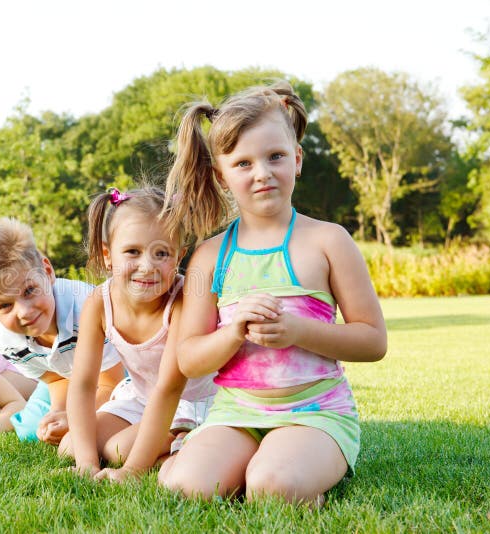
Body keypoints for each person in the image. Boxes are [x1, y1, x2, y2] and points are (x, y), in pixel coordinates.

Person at [156, 81, 387, 505]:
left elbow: (373, 341)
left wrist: (296, 330)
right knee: (185, 488)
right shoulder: (209, 257)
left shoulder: (328, 241)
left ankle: (280, 471)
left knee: (271, 487)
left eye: (275, 156)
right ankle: (211, 459)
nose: (262, 172)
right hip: (237, 414)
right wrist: (233, 333)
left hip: (315, 415)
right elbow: (188, 357)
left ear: (297, 160)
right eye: (242, 163)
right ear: (221, 176)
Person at [65, 185, 216, 479]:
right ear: (108, 255)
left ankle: (182, 441)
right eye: (132, 252)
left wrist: (132, 470)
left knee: (118, 449)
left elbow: (170, 388)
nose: (147, 267)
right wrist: (85, 463)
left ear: (180, 256)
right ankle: (167, 448)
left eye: (162, 253)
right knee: (73, 445)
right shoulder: (99, 302)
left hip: (194, 402)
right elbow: (83, 384)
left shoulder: (183, 302)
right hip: (143, 398)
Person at [0, 218, 125, 445]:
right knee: (31, 431)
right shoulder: (4, 338)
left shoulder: (88, 308)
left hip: (121, 373)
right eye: (5, 306)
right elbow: (55, 377)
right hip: (70, 376)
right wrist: (58, 414)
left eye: (29, 290)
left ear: (46, 271)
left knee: (96, 426)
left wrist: (74, 418)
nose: (24, 312)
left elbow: (109, 382)